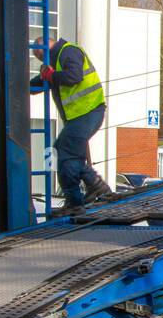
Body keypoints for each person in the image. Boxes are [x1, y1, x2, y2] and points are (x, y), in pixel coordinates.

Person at [30, 35, 113, 208]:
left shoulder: (68, 51)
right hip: (82, 115)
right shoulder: (56, 59)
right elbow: (44, 79)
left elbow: (73, 77)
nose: (40, 60)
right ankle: (91, 188)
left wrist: (51, 76)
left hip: (88, 111)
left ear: (43, 47)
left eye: (38, 55)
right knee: (70, 155)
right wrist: (25, 85)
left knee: (63, 150)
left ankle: (79, 198)